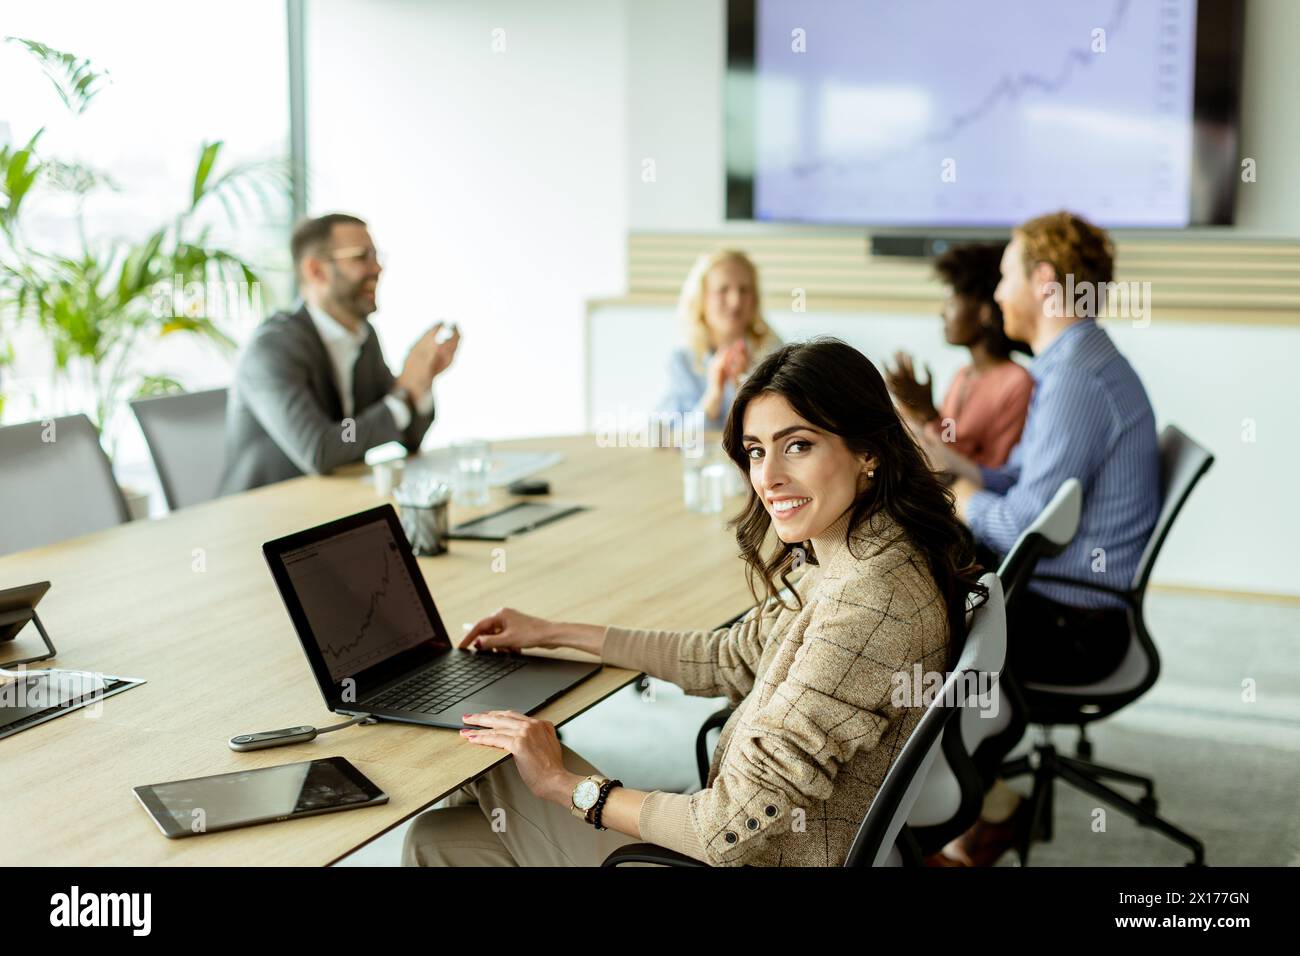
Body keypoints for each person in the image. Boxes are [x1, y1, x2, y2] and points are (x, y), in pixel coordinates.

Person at [402, 337, 985, 867]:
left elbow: (728, 828)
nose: (769, 477)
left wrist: (562, 785)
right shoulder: (858, 551)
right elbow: (731, 658)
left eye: (798, 446)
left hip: (740, 855)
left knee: (493, 748)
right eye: (756, 451)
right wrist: (556, 632)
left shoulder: (866, 606)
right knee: (435, 841)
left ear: (868, 453)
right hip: (756, 837)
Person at [920, 211, 1161, 866]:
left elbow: (1029, 521)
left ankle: (944, 823)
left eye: (1005, 277)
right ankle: (977, 808)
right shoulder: (1074, 366)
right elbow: (1029, 480)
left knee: (912, 635)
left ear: (1044, 282)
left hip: (1073, 626)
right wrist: (962, 469)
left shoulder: (1075, 380)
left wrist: (965, 497)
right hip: (1068, 605)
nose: (998, 295)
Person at [219, 213, 459, 494]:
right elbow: (322, 448)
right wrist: (401, 395)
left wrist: (419, 384)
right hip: (264, 521)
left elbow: (406, 434)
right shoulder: (272, 349)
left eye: (376, 256)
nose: (377, 268)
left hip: (332, 507)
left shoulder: (363, 337)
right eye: (362, 257)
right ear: (316, 271)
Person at [885, 241, 1033, 468]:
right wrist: (914, 408)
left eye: (951, 301)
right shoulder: (962, 375)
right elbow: (948, 445)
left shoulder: (1017, 382)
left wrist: (928, 414)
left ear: (984, 312)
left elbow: (992, 472)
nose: (943, 313)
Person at [657, 250, 780, 430]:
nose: (735, 301)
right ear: (702, 298)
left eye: (744, 290)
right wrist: (714, 396)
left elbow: (782, 431)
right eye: (723, 290)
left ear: (754, 299)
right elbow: (670, 438)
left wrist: (743, 388)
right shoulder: (682, 360)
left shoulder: (775, 354)